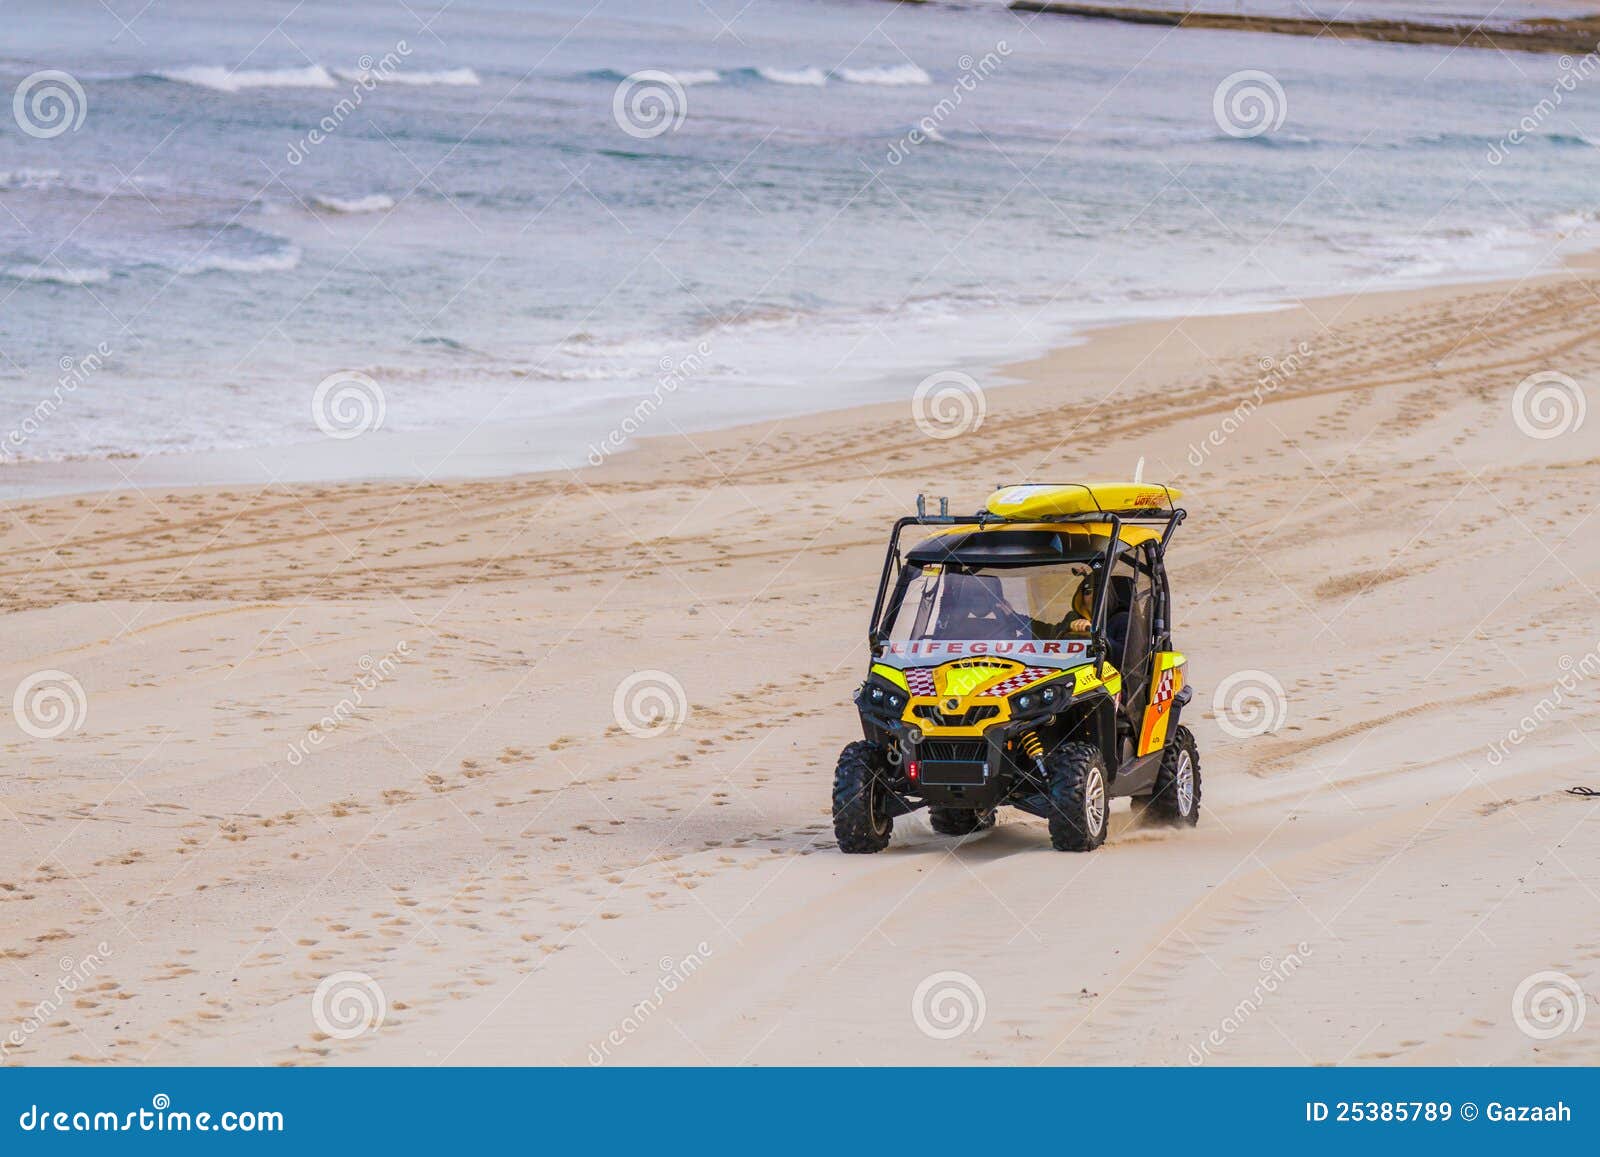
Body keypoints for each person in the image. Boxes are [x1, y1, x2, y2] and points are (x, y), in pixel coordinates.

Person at [1067, 575, 1129, 662]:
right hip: (1068, 669)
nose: (1093, 596)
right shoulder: (1072, 618)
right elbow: (1051, 632)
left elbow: (1126, 658)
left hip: (1105, 673)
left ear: (1109, 595)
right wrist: (1067, 627)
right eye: (1087, 592)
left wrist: (1094, 634)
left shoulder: (1123, 619)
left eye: (1098, 592)